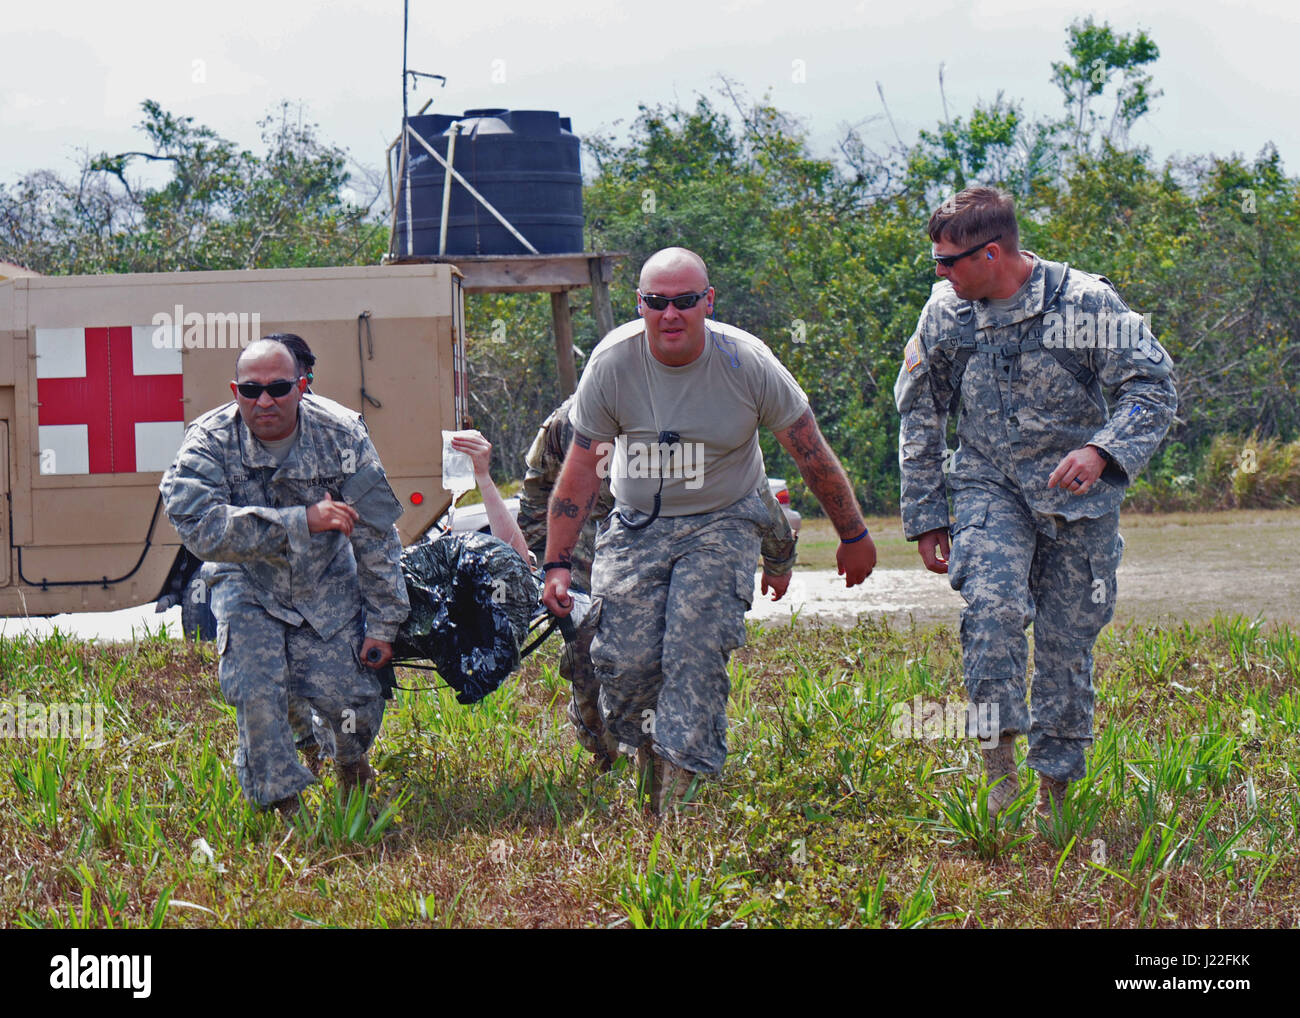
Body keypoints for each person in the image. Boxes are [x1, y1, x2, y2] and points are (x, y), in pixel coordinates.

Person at [541, 247, 876, 812]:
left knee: (693, 651)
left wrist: (854, 535)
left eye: (686, 302)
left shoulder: (747, 363)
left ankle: (682, 803)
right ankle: (650, 761)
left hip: (723, 517)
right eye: (657, 302)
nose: (671, 315)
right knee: (624, 664)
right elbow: (580, 469)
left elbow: (810, 452)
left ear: (708, 301)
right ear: (640, 304)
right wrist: (555, 562)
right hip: (637, 521)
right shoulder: (612, 363)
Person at [894, 187, 1177, 815]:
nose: (938, 273)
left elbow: (1152, 388)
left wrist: (1102, 450)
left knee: (1064, 643)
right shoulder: (946, 314)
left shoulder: (1085, 303)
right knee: (991, 614)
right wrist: (926, 516)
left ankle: (1055, 794)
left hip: (1076, 499)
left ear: (990, 253)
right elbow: (921, 416)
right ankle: (1000, 781)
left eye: (947, 261)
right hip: (988, 486)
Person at [160, 338, 409, 814]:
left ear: (301, 386)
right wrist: (302, 520)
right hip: (246, 581)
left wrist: (383, 624)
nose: (264, 401)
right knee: (256, 691)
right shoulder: (208, 440)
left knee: (351, 701)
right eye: (251, 390)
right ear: (236, 391)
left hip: (325, 583)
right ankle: (281, 807)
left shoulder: (340, 434)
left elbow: (376, 532)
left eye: (278, 387)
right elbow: (201, 529)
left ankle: (350, 761)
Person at [518, 394, 798, 771]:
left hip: (675, 539)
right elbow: (537, 488)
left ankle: (674, 758)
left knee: (681, 649)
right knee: (589, 653)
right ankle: (607, 751)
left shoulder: (691, 411)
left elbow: (750, 489)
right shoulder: (571, 419)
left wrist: (779, 556)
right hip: (590, 544)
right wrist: (542, 559)